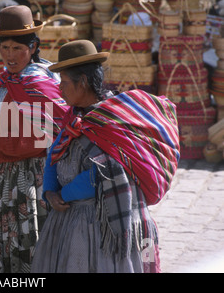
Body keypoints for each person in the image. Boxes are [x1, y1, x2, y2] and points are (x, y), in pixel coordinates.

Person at [31, 40, 180, 273]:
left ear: (83, 82)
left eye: (65, 82)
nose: (60, 88)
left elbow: (106, 173)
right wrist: (49, 190)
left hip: (105, 224)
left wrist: (63, 194)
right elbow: (55, 151)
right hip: (71, 217)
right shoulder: (74, 118)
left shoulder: (111, 120)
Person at [0, 5, 69, 273]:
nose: (10, 55)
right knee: (5, 246)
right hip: (5, 178)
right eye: (5, 48)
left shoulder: (40, 82)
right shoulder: (3, 82)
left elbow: (46, 132)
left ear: (33, 47)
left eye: (17, 48)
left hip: (34, 177)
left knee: (30, 244)